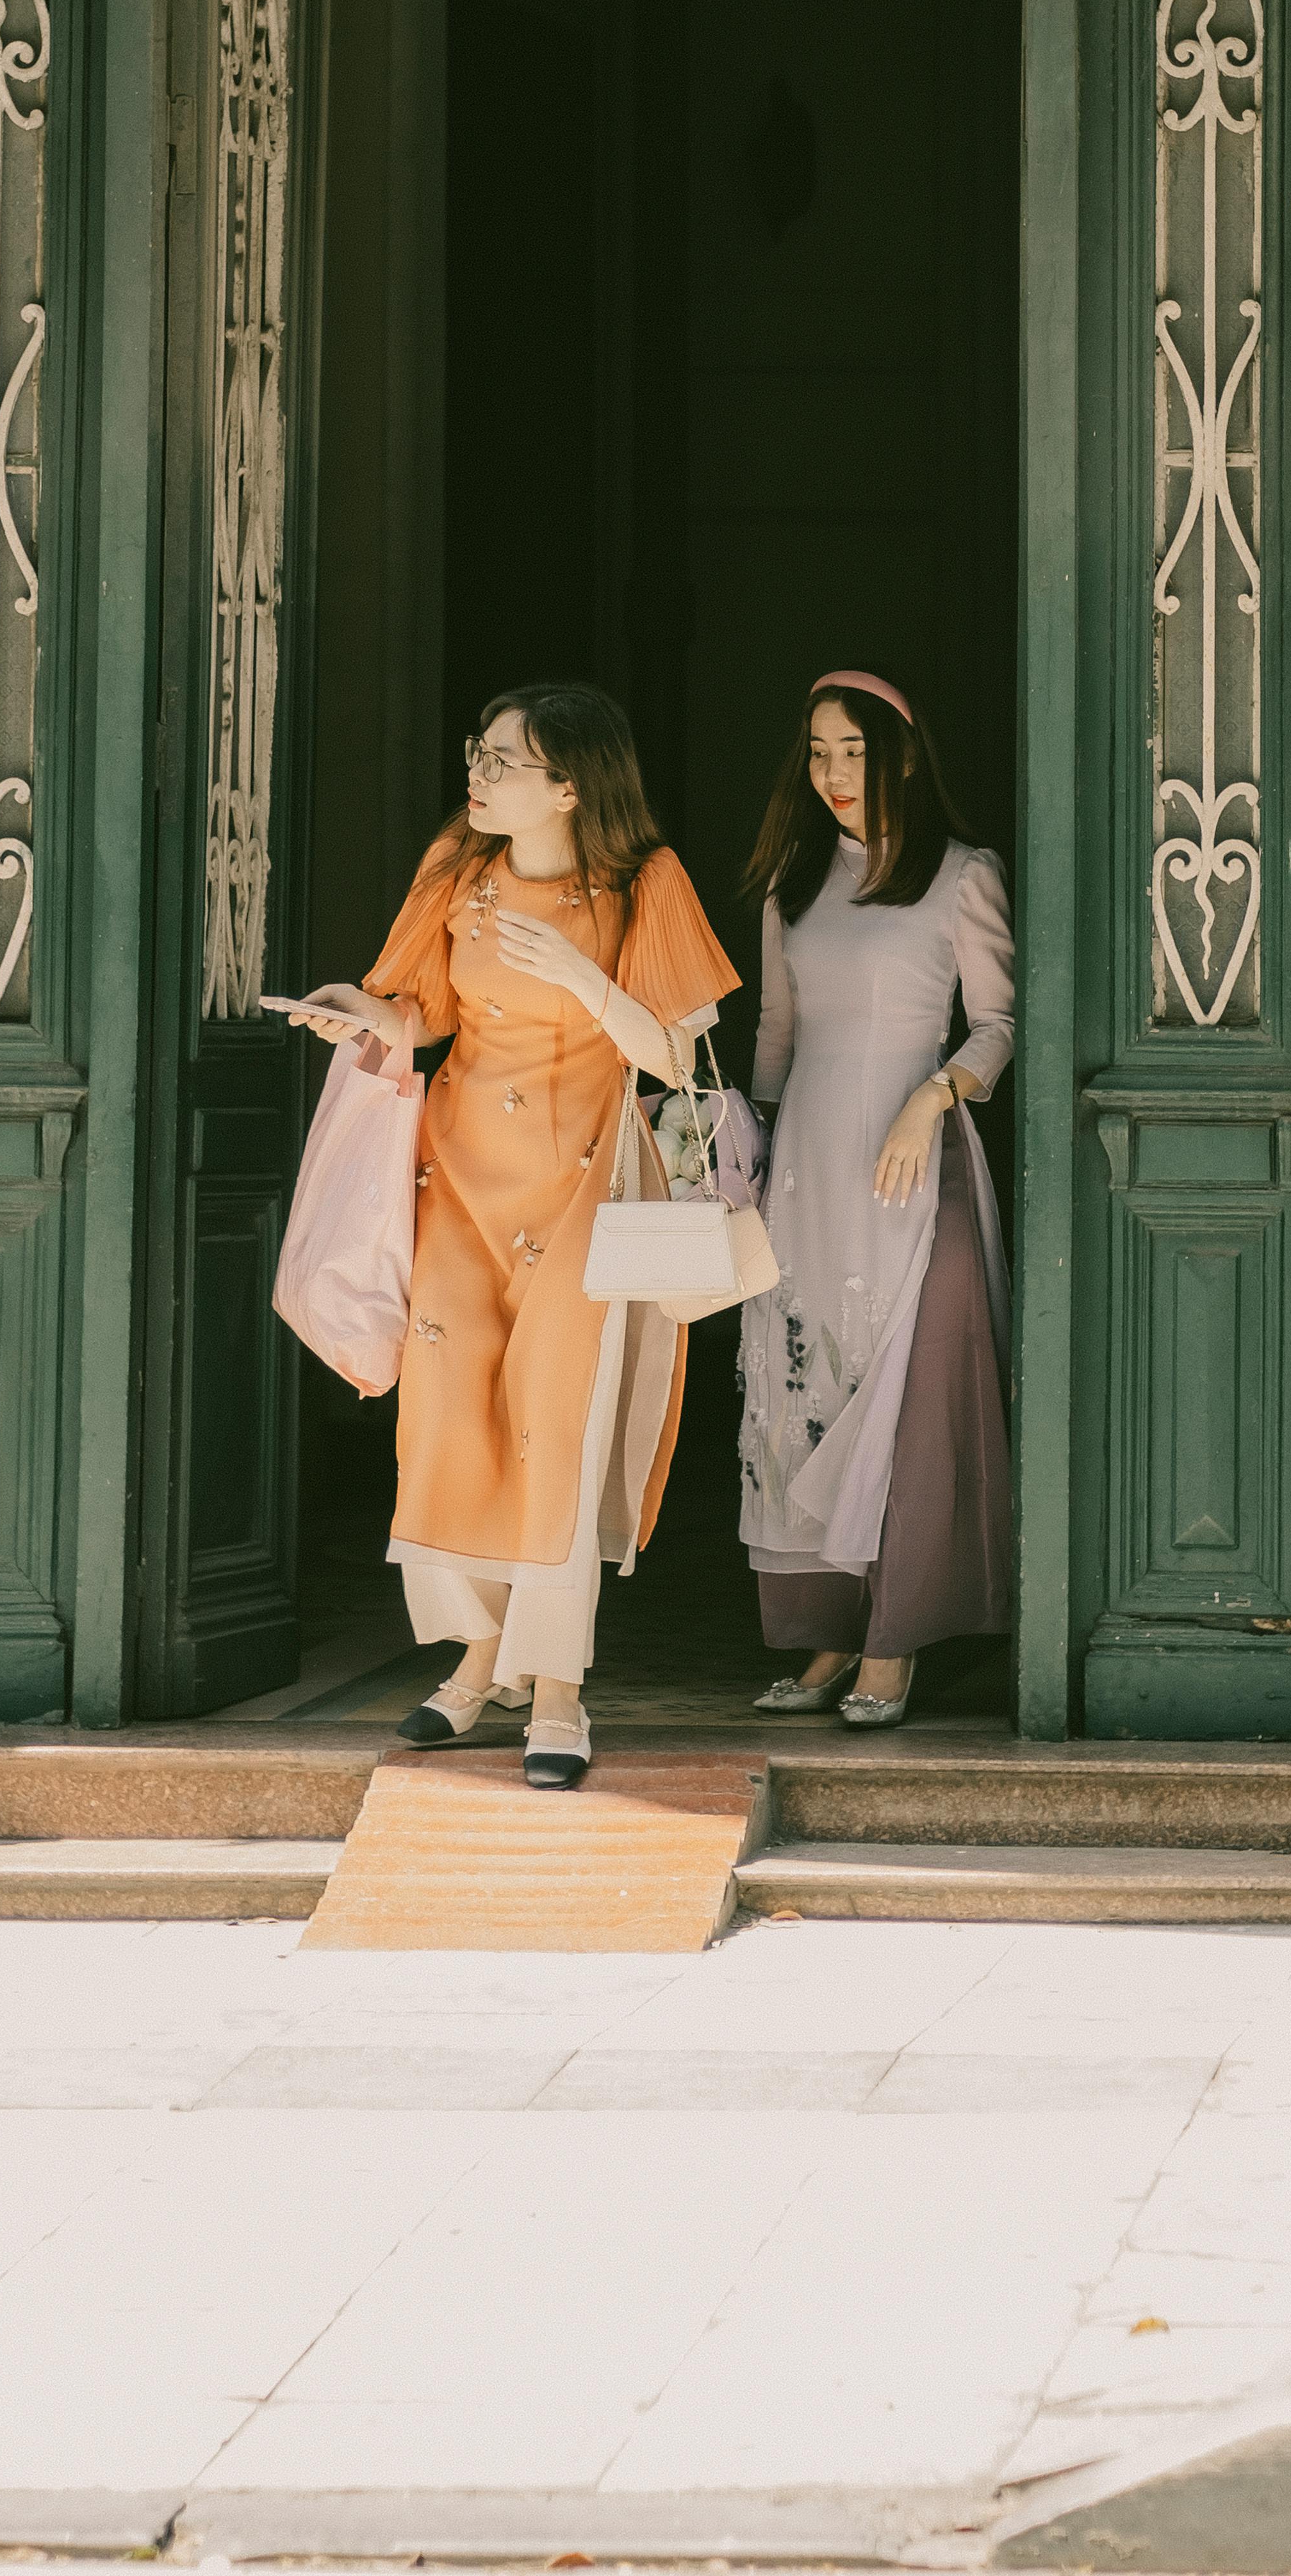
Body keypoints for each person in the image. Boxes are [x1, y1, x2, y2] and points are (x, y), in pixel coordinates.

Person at [287, 684, 736, 1789]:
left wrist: (582, 974)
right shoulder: (460, 873)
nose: (478, 774)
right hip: (459, 1188)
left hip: (580, 1192)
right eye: (477, 754)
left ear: (571, 783)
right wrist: (360, 1010)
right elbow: (421, 1013)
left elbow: (677, 1059)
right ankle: (475, 1662)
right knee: (450, 1425)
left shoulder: (646, 884)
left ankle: (558, 1693)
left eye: (503, 759)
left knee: (555, 1430)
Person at [737, 672, 1014, 1727]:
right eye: (817, 752)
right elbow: (775, 1030)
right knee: (803, 1385)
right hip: (805, 1167)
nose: (833, 773)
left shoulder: (961, 873)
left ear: (900, 754)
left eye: (852, 750)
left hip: (912, 1164)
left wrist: (932, 1095)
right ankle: (825, 1638)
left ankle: (893, 1641)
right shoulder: (791, 880)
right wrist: (747, 1159)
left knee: (904, 1393)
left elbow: (997, 1021)